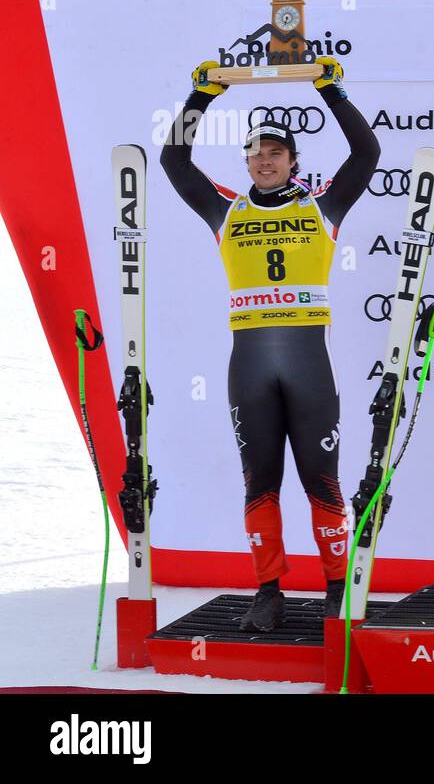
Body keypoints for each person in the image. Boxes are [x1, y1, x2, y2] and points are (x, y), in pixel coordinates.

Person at [161, 56, 380, 631]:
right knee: (260, 481)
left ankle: (337, 588)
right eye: (256, 154)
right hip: (250, 365)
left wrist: (331, 92)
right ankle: (268, 590)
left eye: (275, 153)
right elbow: (173, 160)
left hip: (310, 366)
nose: (264, 160)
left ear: (292, 162)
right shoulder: (224, 210)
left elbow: (367, 155)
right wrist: (200, 98)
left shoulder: (323, 205)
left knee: (321, 479)